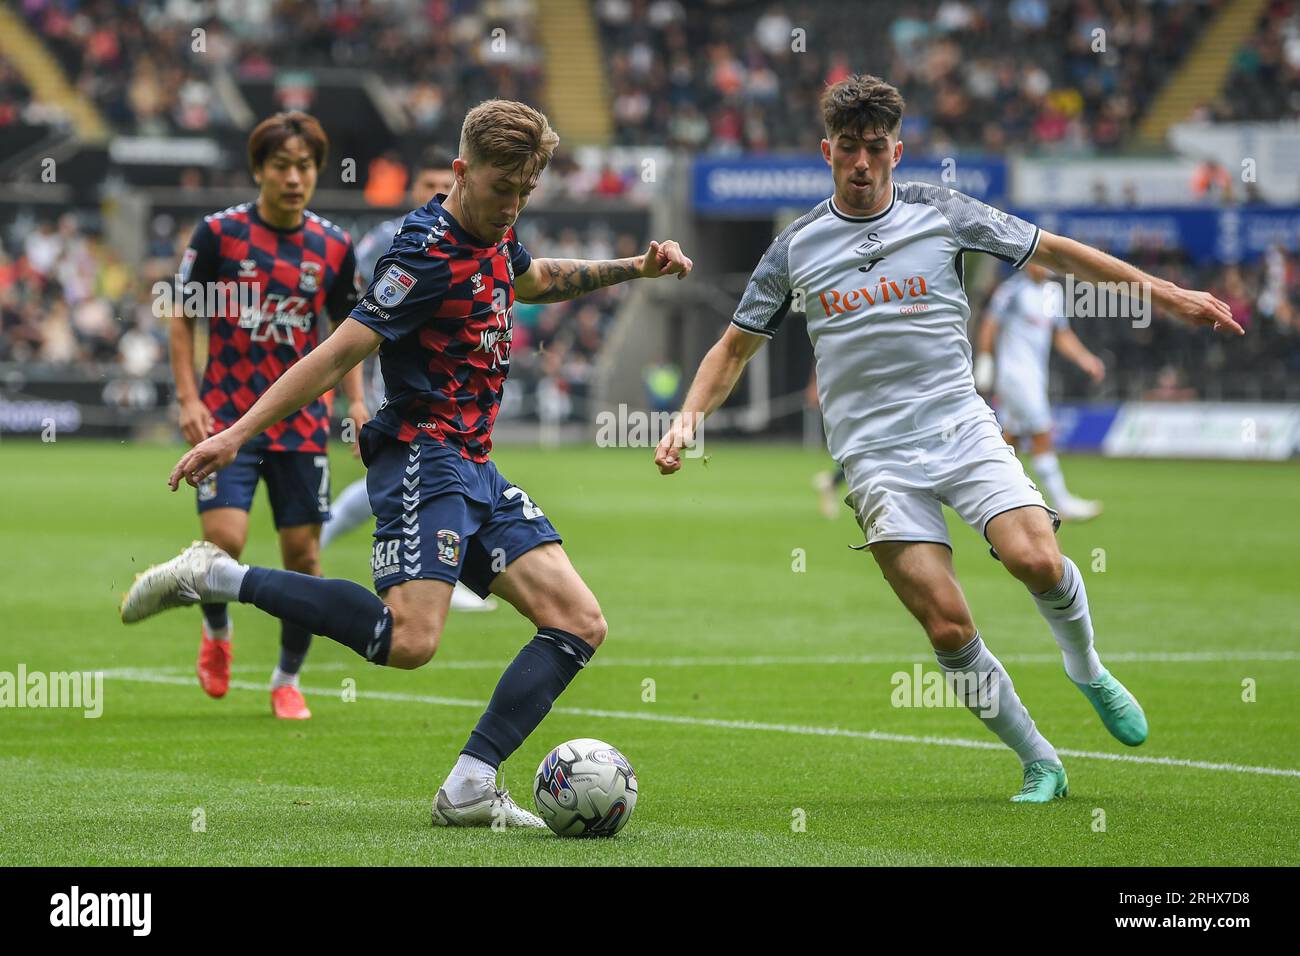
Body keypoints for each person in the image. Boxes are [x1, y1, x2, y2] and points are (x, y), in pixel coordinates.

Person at [654, 74, 1242, 803]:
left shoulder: (942, 212)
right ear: (825, 152)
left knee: (1037, 560)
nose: (861, 163)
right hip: (873, 458)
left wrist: (1169, 294)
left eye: (875, 148)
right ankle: (1040, 762)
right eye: (847, 149)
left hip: (960, 425)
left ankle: (1086, 667)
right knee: (945, 623)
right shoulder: (795, 248)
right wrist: (687, 420)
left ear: (897, 152)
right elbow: (732, 349)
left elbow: (1053, 252)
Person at [123, 98, 693, 827]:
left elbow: (532, 277)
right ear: (461, 172)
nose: (512, 206)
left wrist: (632, 268)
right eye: (500, 190)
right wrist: (234, 434)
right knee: (410, 641)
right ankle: (216, 575)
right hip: (424, 455)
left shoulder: (495, 232)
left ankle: (468, 786)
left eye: (525, 192)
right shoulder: (422, 255)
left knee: (578, 622)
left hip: (474, 463)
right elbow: (337, 352)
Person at [169, 111, 368, 720]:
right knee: (223, 541)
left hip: (301, 425)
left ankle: (286, 678)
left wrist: (358, 403)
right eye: (281, 166)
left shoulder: (333, 245)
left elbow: (351, 331)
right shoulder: (219, 235)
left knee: (303, 558)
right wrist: (188, 397)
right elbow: (180, 313)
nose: (293, 177)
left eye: (305, 166)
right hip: (227, 418)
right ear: (259, 169)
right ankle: (219, 631)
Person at [322, 147, 496, 612]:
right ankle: (429, 569)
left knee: (431, 476)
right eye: (427, 183)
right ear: (411, 189)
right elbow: (348, 314)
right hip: (396, 380)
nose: (439, 190)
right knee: (413, 469)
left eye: (447, 180)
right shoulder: (391, 240)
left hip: (445, 386)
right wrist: (356, 399)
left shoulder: (474, 237)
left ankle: (438, 569)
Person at [973, 263, 1106, 521]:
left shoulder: (1053, 293)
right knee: (1042, 432)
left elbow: (1061, 335)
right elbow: (990, 324)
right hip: (1014, 376)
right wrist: (985, 360)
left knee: (1010, 438)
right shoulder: (1012, 291)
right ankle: (1063, 502)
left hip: (1035, 375)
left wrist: (1085, 359)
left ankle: (985, 493)